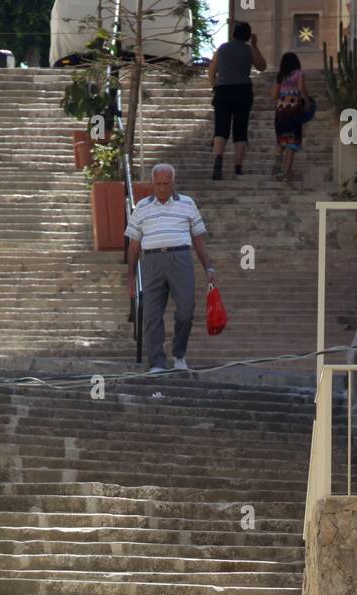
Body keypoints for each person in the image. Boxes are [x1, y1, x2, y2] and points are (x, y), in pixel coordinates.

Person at [125, 163, 217, 374]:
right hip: (152, 261)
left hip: (180, 258)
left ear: (173, 182)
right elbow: (133, 245)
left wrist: (209, 268)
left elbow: (199, 238)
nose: (163, 188)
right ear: (152, 183)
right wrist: (131, 277)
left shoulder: (187, 203)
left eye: (167, 183)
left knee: (186, 309)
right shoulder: (141, 206)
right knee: (151, 314)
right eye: (158, 184)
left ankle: (179, 355)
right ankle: (156, 362)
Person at [208, 22, 268, 180]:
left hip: (223, 90)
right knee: (240, 129)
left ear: (233, 34)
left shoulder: (222, 49)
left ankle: (219, 159)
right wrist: (254, 45)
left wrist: (215, 87)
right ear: (248, 36)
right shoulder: (248, 50)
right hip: (243, 90)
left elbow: (212, 70)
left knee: (221, 127)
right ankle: (237, 166)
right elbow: (262, 66)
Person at [273, 52, 310, 182]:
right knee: (291, 142)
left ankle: (277, 167)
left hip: (280, 110)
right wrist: (307, 101)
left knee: (282, 139)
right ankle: (286, 172)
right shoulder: (299, 74)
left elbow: (274, 95)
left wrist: (283, 97)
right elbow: (301, 88)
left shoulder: (280, 76)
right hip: (293, 110)